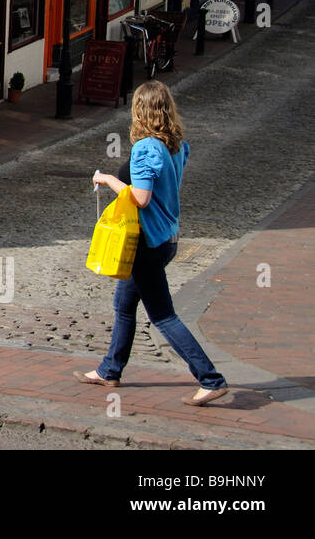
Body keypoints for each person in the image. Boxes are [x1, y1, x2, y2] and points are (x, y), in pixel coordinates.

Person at [78, 80, 228, 406]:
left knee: (162, 315)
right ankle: (110, 369)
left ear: (140, 112)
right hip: (167, 236)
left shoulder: (147, 147)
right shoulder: (177, 146)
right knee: (124, 304)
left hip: (147, 242)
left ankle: (211, 379)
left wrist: (107, 179)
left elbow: (141, 198)